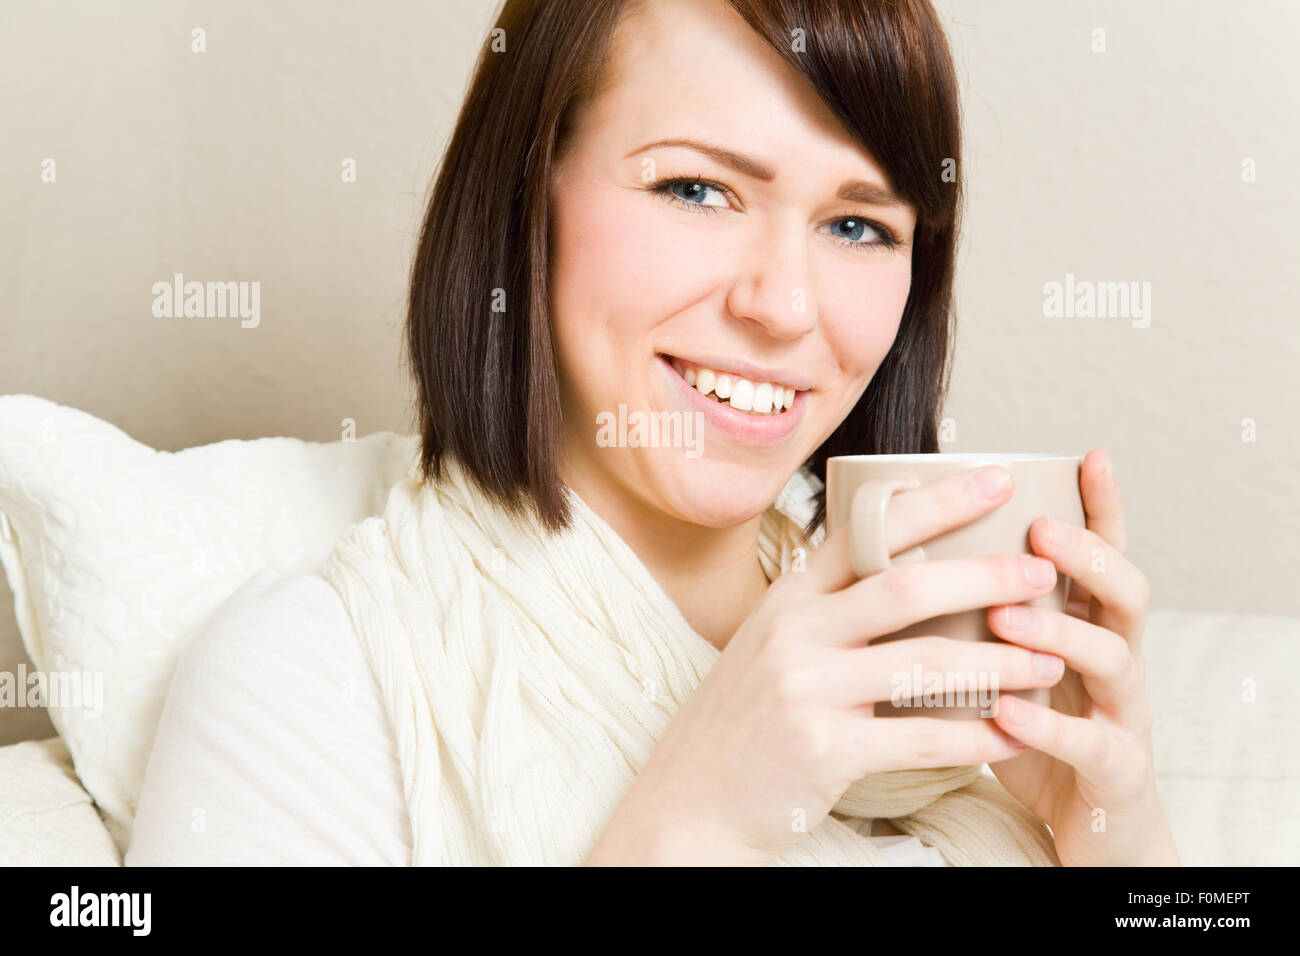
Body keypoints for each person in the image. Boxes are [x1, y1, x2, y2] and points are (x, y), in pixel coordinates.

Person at [126, 0, 1177, 866]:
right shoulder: (310, 678)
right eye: (697, 189)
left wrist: (1115, 838)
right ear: (523, 198)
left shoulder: (941, 673)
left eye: (857, 224)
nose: (784, 306)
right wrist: (695, 825)